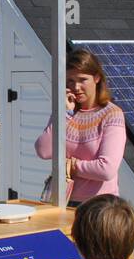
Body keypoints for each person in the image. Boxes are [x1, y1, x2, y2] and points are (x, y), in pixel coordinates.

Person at [34, 48, 126, 205]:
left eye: (83, 79)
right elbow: (43, 151)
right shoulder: (66, 112)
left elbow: (106, 170)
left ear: (97, 78)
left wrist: (71, 165)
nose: (76, 87)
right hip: (63, 202)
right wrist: (64, 113)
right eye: (70, 81)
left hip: (99, 206)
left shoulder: (111, 114)